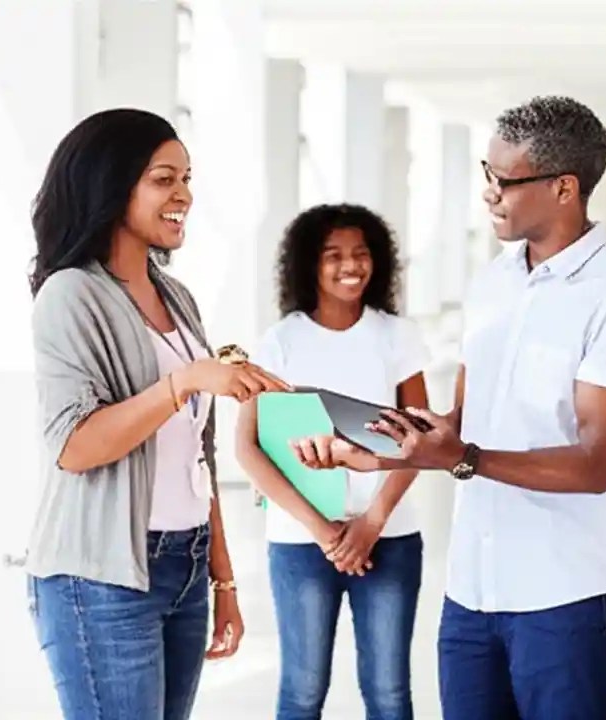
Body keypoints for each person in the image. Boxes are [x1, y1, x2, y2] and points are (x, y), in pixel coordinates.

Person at [292, 96, 606, 719]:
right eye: (485, 173)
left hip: (570, 593)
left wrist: (463, 458)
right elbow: (462, 424)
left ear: (563, 188)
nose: (489, 193)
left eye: (505, 180)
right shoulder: (495, 282)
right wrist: (378, 449)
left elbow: (594, 463)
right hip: (474, 589)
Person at [23, 108, 288, 720]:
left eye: (187, 178)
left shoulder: (176, 297)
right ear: (113, 186)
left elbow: (199, 454)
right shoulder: (70, 294)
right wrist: (188, 380)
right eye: (164, 179)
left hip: (184, 563)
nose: (185, 195)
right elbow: (75, 447)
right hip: (102, 578)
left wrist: (223, 579)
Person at [235, 204, 430, 720]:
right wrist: (325, 532)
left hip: (389, 537)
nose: (351, 266)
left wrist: (371, 522)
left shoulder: (397, 336)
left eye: (362, 254)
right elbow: (248, 448)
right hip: (301, 543)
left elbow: (422, 441)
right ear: (308, 265)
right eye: (334, 255)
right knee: (302, 692)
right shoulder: (280, 342)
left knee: (389, 694)